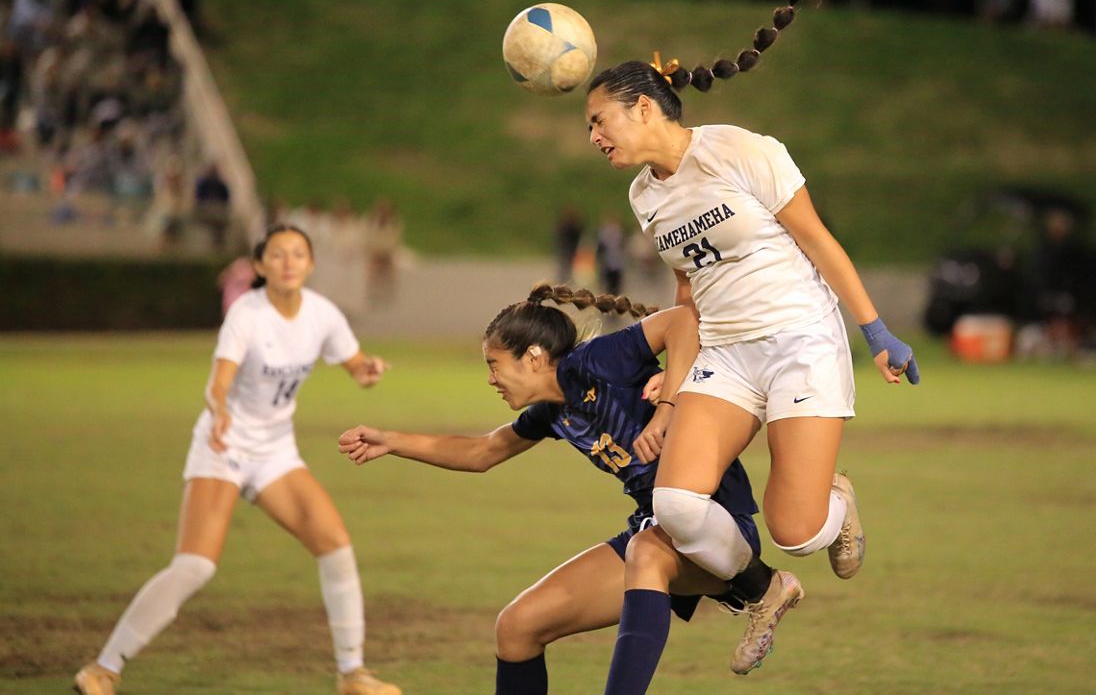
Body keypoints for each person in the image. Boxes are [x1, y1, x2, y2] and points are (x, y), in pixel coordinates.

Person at [582, 0, 919, 690]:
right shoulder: (644, 196)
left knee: (797, 526)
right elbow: (687, 293)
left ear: (643, 106)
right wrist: (673, 387)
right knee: (674, 506)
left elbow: (818, 241)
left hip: (799, 339)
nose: (594, 136)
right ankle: (765, 592)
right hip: (727, 355)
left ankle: (838, 499)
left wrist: (876, 329)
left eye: (599, 119)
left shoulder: (739, 150)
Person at [337, 284, 804, 695]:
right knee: (518, 627)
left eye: (495, 364)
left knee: (645, 550)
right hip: (654, 530)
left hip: (715, 522)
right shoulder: (551, 412)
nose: (490, 378)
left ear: (535, 356)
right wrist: (392, 441)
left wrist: (666, 409)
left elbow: (682, 321)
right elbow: (482, 453)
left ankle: (761, 581)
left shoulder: (593, 364)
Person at [74, 224, 401, 695]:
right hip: (223, 446)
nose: (288, 262)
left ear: (310, 265)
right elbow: (218, 381)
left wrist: (368, 371)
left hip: (274, 451)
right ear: (261, 265)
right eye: (278, 254)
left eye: (298, 254)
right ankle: (103, 669)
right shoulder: (246, 314)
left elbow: (355, 365)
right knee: (195, 566)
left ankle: (353, 674)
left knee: (335, 544)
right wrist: (220, 409)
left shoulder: (323, 314)